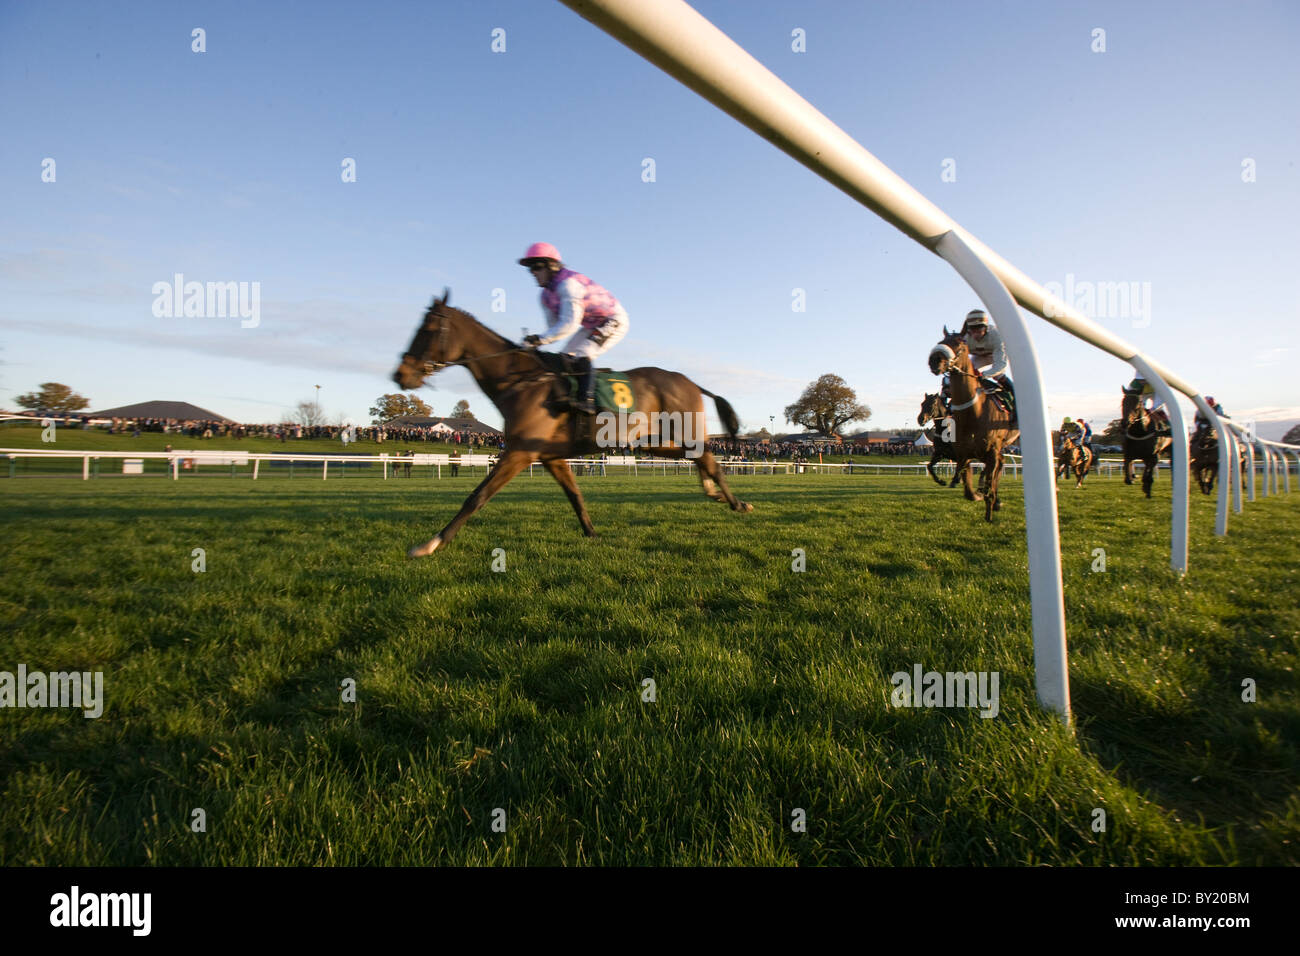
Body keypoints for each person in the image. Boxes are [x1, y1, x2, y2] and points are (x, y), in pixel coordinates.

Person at [519, 242, 629, 415]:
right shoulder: (545, 296)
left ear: (552, 266)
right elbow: (555, 329)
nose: (533, 273)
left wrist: (539, 339)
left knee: (583, 354)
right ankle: (570, 397)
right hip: (591, 324)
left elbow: (569, 325)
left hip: (613, 319)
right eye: (530, 269)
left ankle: (588, 401)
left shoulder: (568, 285)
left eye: (537, 267)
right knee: (566, 357)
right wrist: (536, 342)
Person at [961, 309, 1015, 412]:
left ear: (985, 328)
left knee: (998, 375)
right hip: (978, 357)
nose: (976, 334)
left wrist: (984, 374)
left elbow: (1000, 365)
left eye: (979, 330)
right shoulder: (965, 338)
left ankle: (1016, 403)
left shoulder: (996, 336)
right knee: (967, 374)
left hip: (995, 355)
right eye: (973, 330)